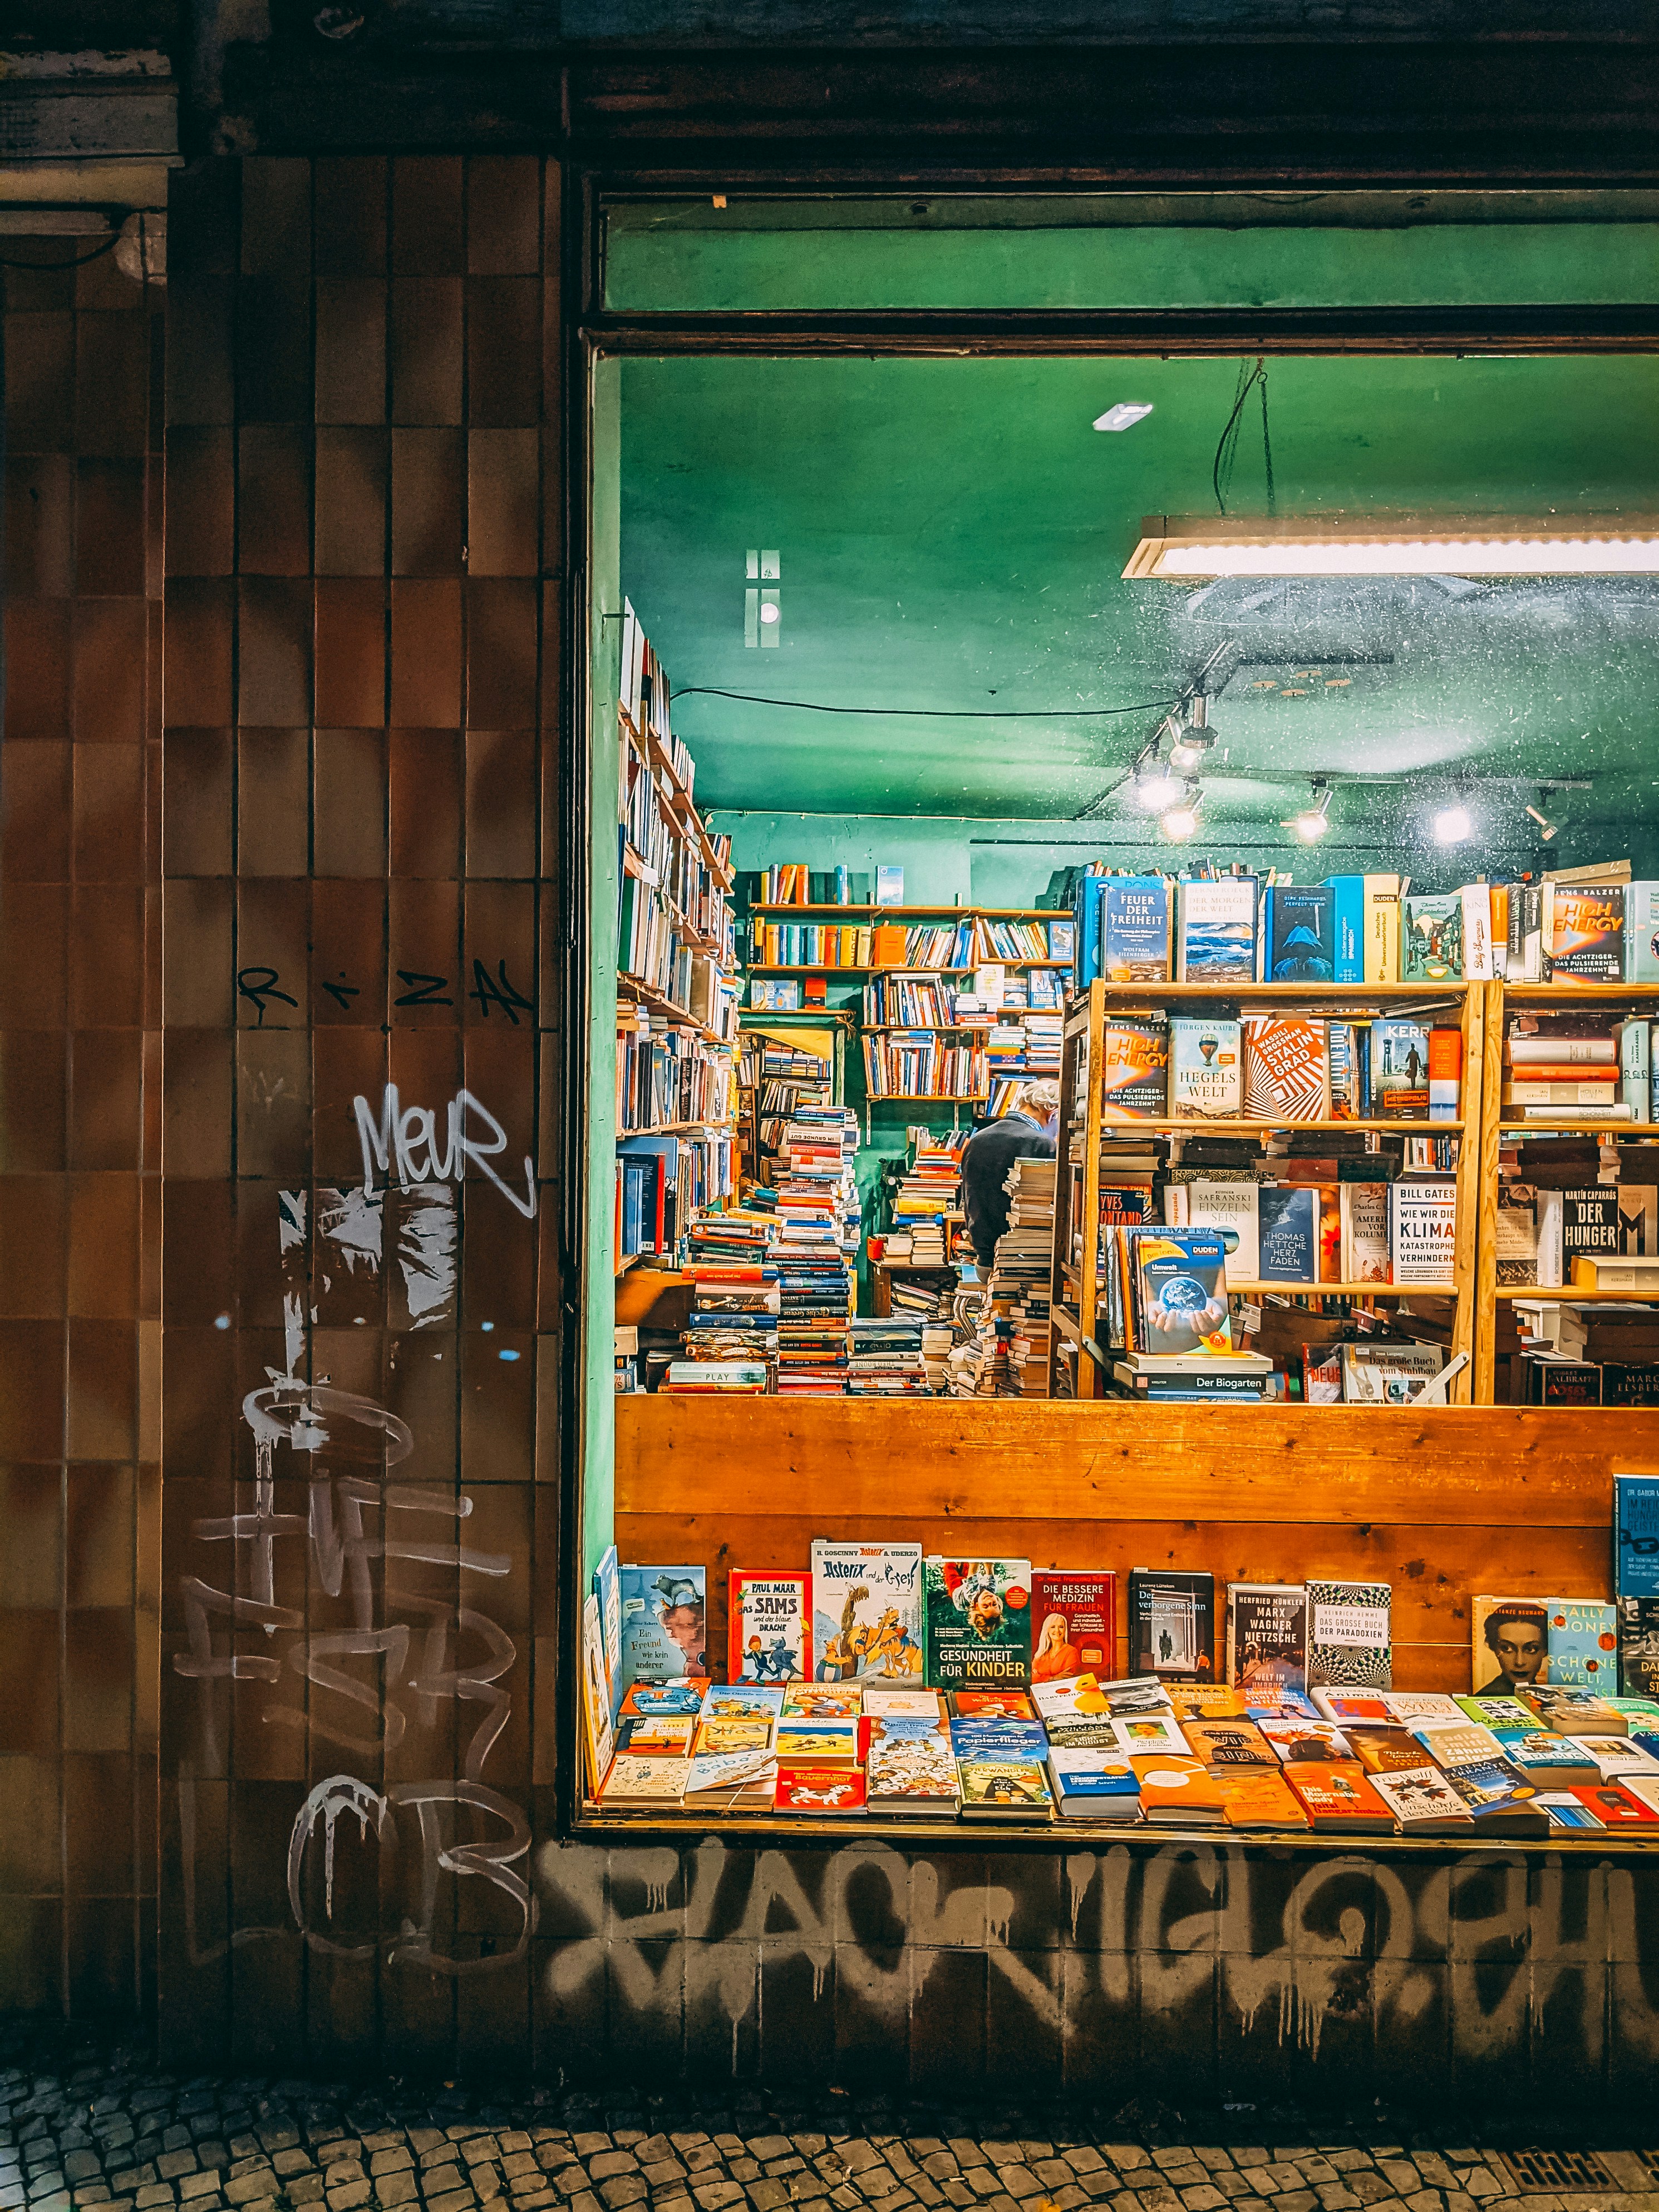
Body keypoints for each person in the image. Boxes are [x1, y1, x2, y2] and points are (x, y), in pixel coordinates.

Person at [960, 1078, 1059, 1268]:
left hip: (984, 1256)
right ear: (1051, 1111)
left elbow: (969, 1196)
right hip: (1023, 1256)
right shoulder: (1042, 1143)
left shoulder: (978, 1139)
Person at [1475, 1602, 1549, 1698]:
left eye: (1531, 1649)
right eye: (1507, 1649)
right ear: (1493, 1647)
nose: (1519, 1662)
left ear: (1546, 1650)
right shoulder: (1484, 1697)